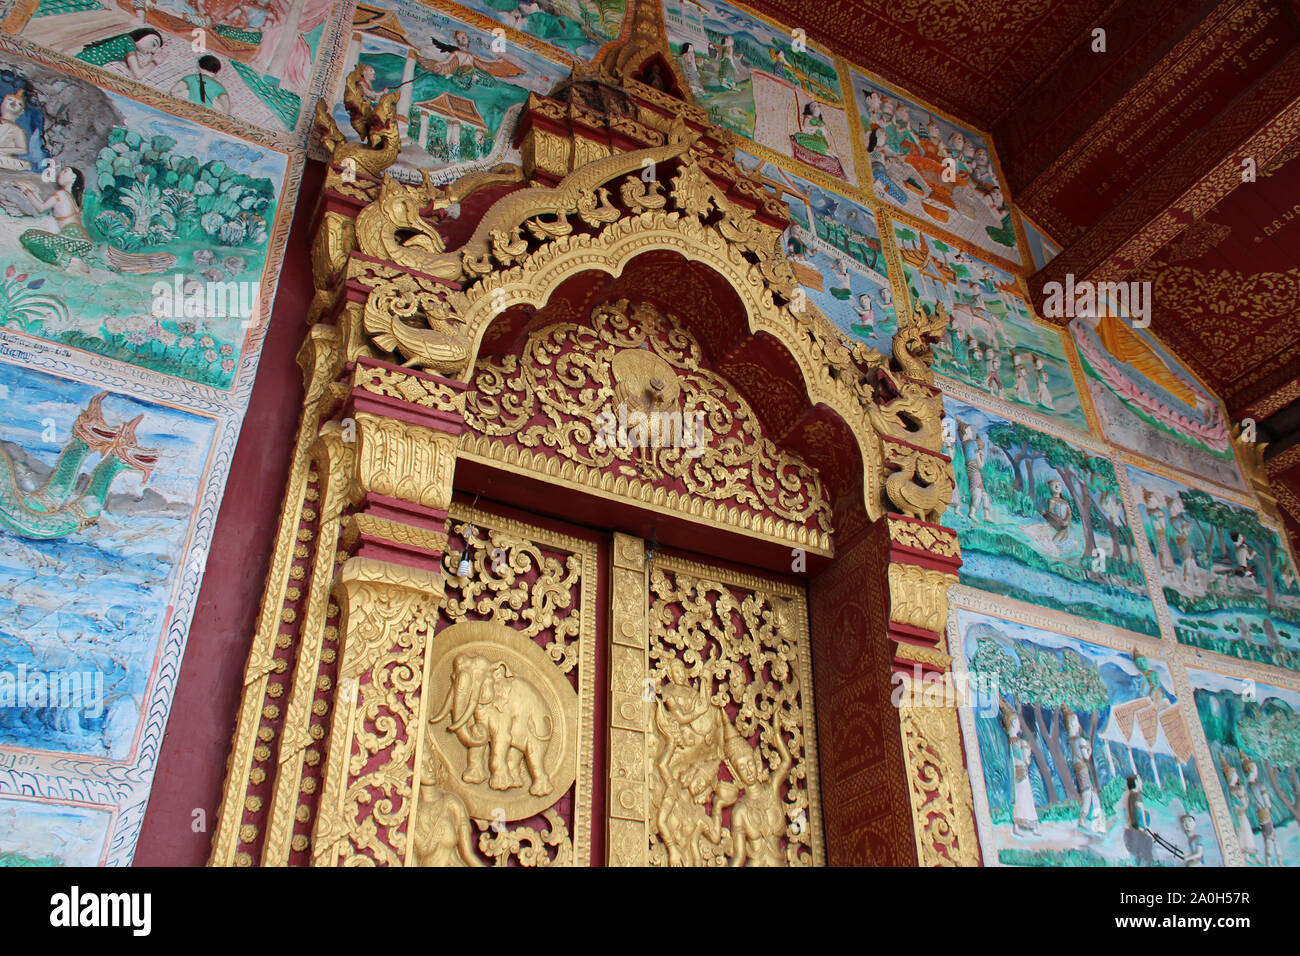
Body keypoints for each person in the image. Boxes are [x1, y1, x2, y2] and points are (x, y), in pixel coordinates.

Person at [725, 721, 792, 867]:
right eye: (742, 768)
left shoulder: (772, 790)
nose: (748, 771)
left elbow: (786, 762)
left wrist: (776, 732)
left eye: (749, 764)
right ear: (736, 773)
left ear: (756, 762)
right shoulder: (740, 810)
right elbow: (739, 857)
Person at [999, 700, 1039, 835]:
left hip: (1017, 774)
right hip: (1020, 773)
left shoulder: (1012, 743)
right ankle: (1027, 824)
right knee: (1023, 798)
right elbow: (1024, 759)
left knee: (1020, 799)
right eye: (1016, 723)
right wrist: (1027, 750)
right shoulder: (1018, 742)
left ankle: (1022, 825)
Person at [1065, 708, 1105, 834]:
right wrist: (1089, 748)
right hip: (1083, 770)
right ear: (1073, 724)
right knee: (1088, 797)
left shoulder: (1071, 741)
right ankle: (1083, 821)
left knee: (1092, 796)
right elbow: (1086, 756)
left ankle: (1097, 822)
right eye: (1076, 722)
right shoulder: (1080, 740)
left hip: (1078, 771)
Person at [75, 28, 163, 81]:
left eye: (154, 51)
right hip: (82, 65)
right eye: (153, 44)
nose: (152, 50)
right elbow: (138, 74)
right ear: (143, 35)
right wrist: (154, 62)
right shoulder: (128, 42)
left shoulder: (126, 41)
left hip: (82, 62)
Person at [1244, 757, 1279, 866]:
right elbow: (1267, 803)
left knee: (1267, 837)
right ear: (1253, 770)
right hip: (1265, 813)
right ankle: (1269, 862)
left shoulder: (1247, 788)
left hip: (1258, 815)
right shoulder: (1259, 785)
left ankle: (1273, 860)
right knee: (1269, 838)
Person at [1223, 759, 1259, 863]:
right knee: (1242, 833)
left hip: (1242, 813)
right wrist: (1242, 802)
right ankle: (1245, 854)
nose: (1236, 776)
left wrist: (1244, 801)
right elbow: (1236, 802)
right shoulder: (1231, 789)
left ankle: (1252, 852)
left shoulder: (1237, 788)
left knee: (1247, 831)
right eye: (1233, 774)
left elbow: (1244, 800)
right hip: (1237, 815)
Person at [960, 423, 993, 523]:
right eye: (970, 430)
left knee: (984, 495)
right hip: (974, 473)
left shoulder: (967, 444)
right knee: (978, 493)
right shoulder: (970, 444)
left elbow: (980, 466)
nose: (972, 432)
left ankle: (986, 515)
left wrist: (979, 455)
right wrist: (979, 454)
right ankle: (972, 513)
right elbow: (980, 465)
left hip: (976, 472)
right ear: (965, 432)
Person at [1122, 774, 1154, 865]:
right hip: (1139, 830)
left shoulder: (1130, 795)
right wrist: (1144, 828)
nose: (1142, 783)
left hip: (1133, 829)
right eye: (1140, 781)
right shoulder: (1137, 795)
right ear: (1136, 782)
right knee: (1144, 857)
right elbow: (1139, 812)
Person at [1042, 478, 1073, 546]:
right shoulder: (1052, 500)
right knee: (1064, 530)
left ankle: (1059, 544)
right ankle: (1054, 543)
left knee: (1067, 531)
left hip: (1066, 523)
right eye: (1053, 485)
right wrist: (1058, 521)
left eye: (1059, 485)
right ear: (1050, 488)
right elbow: (1051, 512)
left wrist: (1067, 521)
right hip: (1057, 522)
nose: (1057, 487)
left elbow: (1069, 514)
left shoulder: (1065, 502)